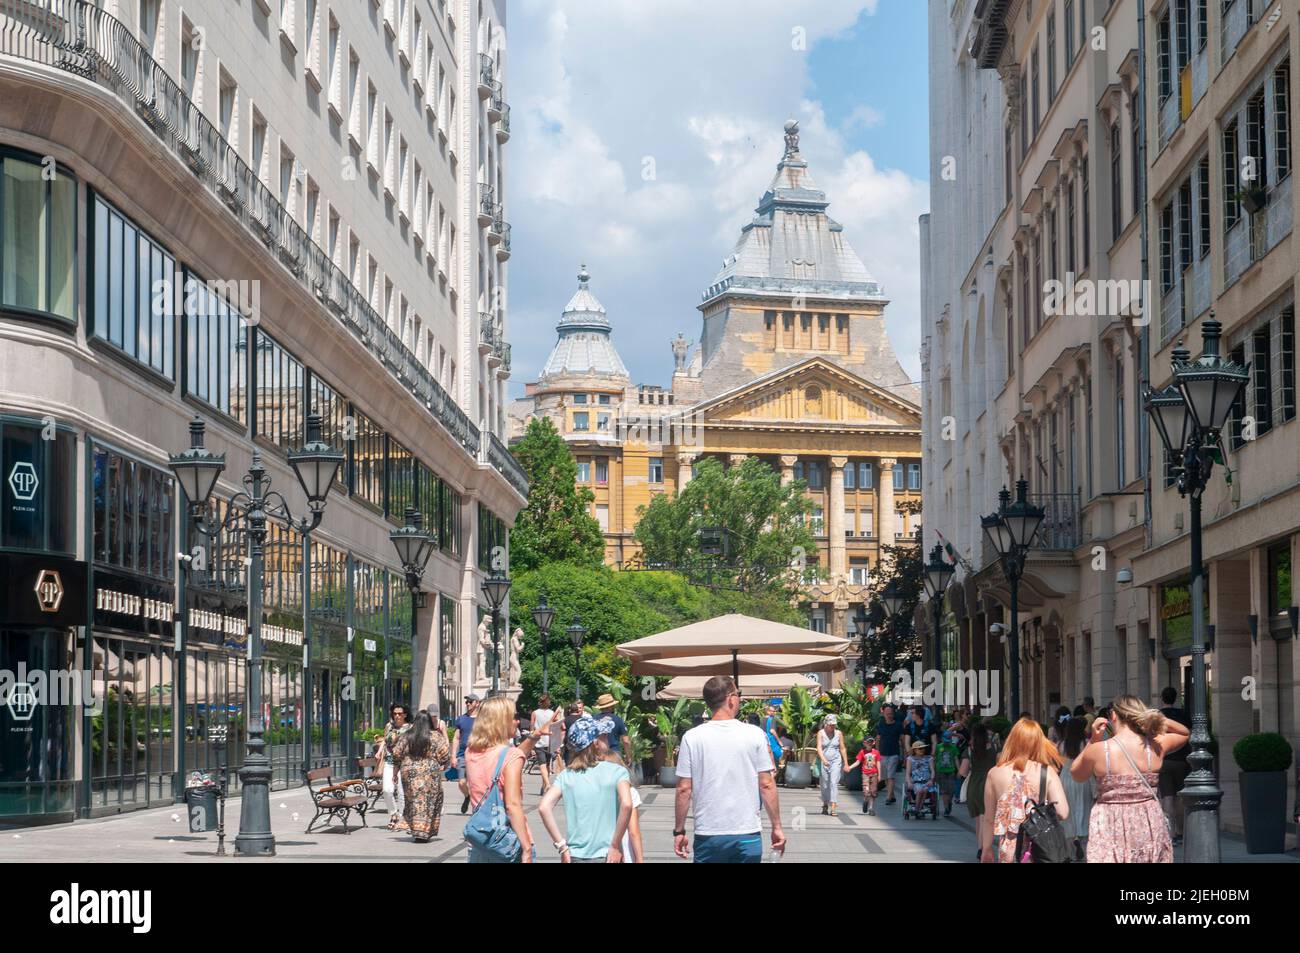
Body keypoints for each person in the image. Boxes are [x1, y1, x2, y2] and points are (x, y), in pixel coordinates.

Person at [673, 675, 786, 863]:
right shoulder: (754, 734)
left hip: (708, 833)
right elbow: (766, 784)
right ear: (731, 698)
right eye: (738, 694)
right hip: (746, 831)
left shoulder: (691, 737)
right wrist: (777, 827)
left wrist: (679, 830)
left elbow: (684, 788)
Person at [1070, 695, 1188, 864]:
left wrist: (1094, 739)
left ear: (1114, 716)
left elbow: (1076, 774)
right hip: (1147, 819)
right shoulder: (1155, 745)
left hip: (1109, 821)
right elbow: (1184, 733)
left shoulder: (1098, 750)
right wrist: (1155, 717)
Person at [538, 714, 633, 863]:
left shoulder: (566, 775)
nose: (607, 740)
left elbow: (544, 807)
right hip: (607, 854)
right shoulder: (617, 771)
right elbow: (627, 804)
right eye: (604, 737)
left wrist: (562, 846)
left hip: (575, 855)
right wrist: (615, 845)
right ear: (595, 743)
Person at [980, 717, 1069, 863]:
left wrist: (986, 848)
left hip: (1009, 849)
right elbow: (1063, 812)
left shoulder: (994, 773)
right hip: (1041, 848)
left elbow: (989, 819)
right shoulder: (1047, 772)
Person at [464, 696, 540, 863]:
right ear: (501, 721)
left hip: (481, 839)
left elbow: (504, 758)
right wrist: (526, 847)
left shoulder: (471, 751)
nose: (517, 721)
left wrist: (533, 738)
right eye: (513, 717)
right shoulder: (512, 756)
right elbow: (513, 806)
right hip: (507, 842)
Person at [389, 710, 451, 842]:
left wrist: (395, 773)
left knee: (413, 801)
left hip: (409, 774)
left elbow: (396, 754)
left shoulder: (406, 736)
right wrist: (444, 764)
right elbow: (445, 754)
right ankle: (424, 830)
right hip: (430, 774)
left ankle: (416, 829)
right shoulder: (435, 736)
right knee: (429, 802)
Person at [1157, 686, 1190, 843]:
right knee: (1179, 797)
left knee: (1167, 797)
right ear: (1175, 698)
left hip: (1163, 761)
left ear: (1162, 698)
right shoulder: (1182, 714)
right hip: (1181, 760)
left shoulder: (1158, 716)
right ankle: (1181, 831)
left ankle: (1171, 834)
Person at [1057, 716, 1093, 859]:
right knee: (1084, 809)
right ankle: (1083, 841)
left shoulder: (1061, 744)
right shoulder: (1086, 743)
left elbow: (1059, 763)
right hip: (1083, 777)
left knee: (1069, 810)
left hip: (1066, 778)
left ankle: (1072, 845)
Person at [961, 723, 996, 860]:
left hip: (974, 785)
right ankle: (985, 847)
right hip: (990, 785)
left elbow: (962, 772)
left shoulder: (969, 750)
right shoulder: (994, 748)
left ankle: (980, 847)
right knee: (987, 819)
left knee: (979, 820)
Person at [609, 745, 645, 862]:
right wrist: (640, 860)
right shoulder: (629, 792)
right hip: (625, 855)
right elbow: (633, 831)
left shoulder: (596, 791)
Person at [377, 704, 410, 831]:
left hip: (403, 763)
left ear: (405, 714)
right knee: (387, 790)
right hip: (389, 762)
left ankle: (401, 819)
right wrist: (379, 751)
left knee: (402, 792)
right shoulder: (389, 726)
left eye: (400, 713)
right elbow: (385, 740)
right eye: (395, 713)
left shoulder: (410, 728)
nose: (397, 716)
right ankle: (393, 814)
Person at [453, 693, 481, 814]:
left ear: (477, 703)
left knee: (475, 783)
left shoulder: (482, 719)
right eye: (467, 702)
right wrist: (453, 756)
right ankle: (467, 796)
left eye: (470, 701)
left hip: (478, 755)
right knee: (461, 782)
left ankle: (476, 806)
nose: (468, 704)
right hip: (462, 755)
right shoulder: (461, 719)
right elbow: (456, 738)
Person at [816, 714, 848, 816]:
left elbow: (842, 748)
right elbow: (819, 748)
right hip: (825, 760)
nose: (832, 727)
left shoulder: (838, 733)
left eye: (834, 725)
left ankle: (833, 805)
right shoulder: (820, 733)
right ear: (826, 724)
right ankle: (825, 803)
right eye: (830, 725)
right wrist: (823, 759)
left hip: (836, 760)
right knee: (825, 784)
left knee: (833, 782)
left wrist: (846, 763)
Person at [874, 703, 904, 805]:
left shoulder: (898, 725)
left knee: (891, 776)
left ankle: (888, 797)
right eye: (887, 713)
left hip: (894, 753)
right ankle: (892, 796)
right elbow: (878, 739)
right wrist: (877, 752)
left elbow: (902, 740)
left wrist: (903, 754)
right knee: (885, 776)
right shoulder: (881, 724)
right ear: (883, 713)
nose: (889, 715)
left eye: (890, 713)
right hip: (882, 753)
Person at [845, 736, 881, 814]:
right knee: (866, 791)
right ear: (864, 743)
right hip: (865, 774)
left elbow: (878, 763)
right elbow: (857, 762)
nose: (870, 744)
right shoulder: (862, 752)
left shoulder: (876, 752)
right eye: (868, 742)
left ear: (874, 743)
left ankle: (871, 808)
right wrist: (850, 767)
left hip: (874, 774)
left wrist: (879, 775)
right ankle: (865, 800)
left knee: (873, 791)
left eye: (871, 742)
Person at [530, 693, 558, 794]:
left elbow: (532, 727)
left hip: (538, 741)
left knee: (542, 764)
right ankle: (547, 784)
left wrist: (531, 741)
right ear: (547, 702)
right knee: (546, 764)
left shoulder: (535, 713)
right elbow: (556, 726)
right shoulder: (552, 713)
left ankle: (545, 785)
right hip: (549, 741)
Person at [904, 741, 938, 817]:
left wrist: (931, 780)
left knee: (925, 789)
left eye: (923, 748)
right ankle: (918, 809)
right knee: (920, 790)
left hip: (927, 782)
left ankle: (917, 809)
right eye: (920, 749)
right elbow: (908, 773)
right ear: (915, 750)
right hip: (916, 782)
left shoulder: (929, 758)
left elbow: (932, 771)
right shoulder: (910, 759)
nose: (922, 750)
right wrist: (909, 782)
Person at [595, 693, 630, 762]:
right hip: (614, 753)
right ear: (611, 706)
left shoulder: (593, 720)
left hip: (598, 755)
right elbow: (626, 741)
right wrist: (628, 756)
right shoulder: (618, 719)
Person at [934, 730, 960, 816]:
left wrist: (959, 770)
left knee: (951, 791)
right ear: (942, 739)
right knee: (944, 791)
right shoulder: (938, 747)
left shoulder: (953, 747)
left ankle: (949, 803)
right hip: (941, 772)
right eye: (945, 741)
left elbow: (956, 759)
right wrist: (933, 771)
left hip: (951, 772)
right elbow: (935, 758)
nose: (946, 743)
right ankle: (946, 808)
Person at [762, 703, 784, 769]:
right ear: (768, 711)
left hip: (763, 741)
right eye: (773, 711)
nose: (775, 712)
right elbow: (772, 730)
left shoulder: (762, 719)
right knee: (776, 760)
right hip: (771, 741)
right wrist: (779, 741)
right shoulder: (772, 719)